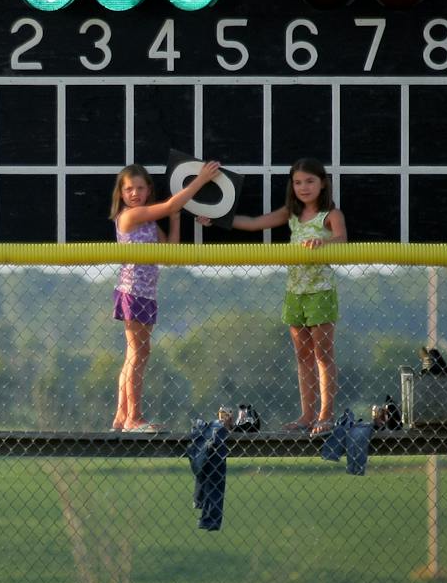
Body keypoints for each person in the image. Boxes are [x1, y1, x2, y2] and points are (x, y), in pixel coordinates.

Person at [200, 157, 347, 435]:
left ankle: (325, 415)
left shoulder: (330, 215)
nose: (304, 187)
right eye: (298, 182)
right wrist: (217, 219)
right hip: (294, 293)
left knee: (323, 355)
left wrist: (323, 242)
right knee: (303, 356)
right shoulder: (291, 213)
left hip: (320, 292)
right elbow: (255, 223)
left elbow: (342, 240)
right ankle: (307, 415)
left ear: (323, 183)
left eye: (310, 181)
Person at [110, 160, 222, 432]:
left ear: (149, 190)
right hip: (133, 292)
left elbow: (170, 253)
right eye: (129, 189)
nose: (134, 194)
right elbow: (171, 204)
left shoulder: (149, 222)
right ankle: (133, 417)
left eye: (140, 188)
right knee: (138, 354)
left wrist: (175, 218)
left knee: (137, 353)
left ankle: (122, 417)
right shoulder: (129, 216)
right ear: (121, 193)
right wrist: (200, 180)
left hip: (148, 294)